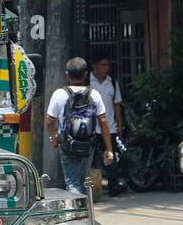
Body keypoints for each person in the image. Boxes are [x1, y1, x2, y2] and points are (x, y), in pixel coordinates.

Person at [46, 57, 114, 195]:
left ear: (67, 75)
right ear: (86, 74)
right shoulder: (94, 94)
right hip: (88, 145)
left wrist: (54, 138)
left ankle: (78, 212)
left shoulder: (59, 94)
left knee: (72, 182)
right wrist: (109, 149)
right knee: (84, 180)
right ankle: (85, 210)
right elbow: (103, 122)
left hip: (66, 144)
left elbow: (49, 121)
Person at [90, 54, 125, 195]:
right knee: (91, 160)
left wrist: (120, 124)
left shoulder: (112, 82)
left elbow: (116, 104)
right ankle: (92, 189)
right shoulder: (88, 82)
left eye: (107, 65)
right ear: (95, 66)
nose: (106, 68)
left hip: (109, 127)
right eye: (102, 65)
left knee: (111, 157)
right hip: (92, 128)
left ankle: (113, 187)